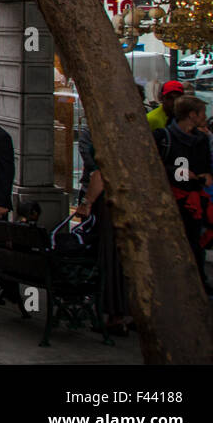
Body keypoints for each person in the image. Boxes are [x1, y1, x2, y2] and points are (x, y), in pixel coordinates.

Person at [155, 96, 213, 299]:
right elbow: (161, 167)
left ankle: (196, 281)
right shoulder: (164, 137)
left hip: (194, 197)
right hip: (174, 199)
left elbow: (204, 168)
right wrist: (182, 173)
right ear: (192, 115)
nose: (205, 117)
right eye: (202, 113)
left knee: (203, 235)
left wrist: (203, 176)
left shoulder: (201, 140)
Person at [74, 121, 130, 333]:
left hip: (108, 206)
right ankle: (123, 312)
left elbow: (99, 175)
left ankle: (115, 313)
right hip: (128, 205)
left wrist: (87, 203)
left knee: (110, 258)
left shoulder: (107, 139)